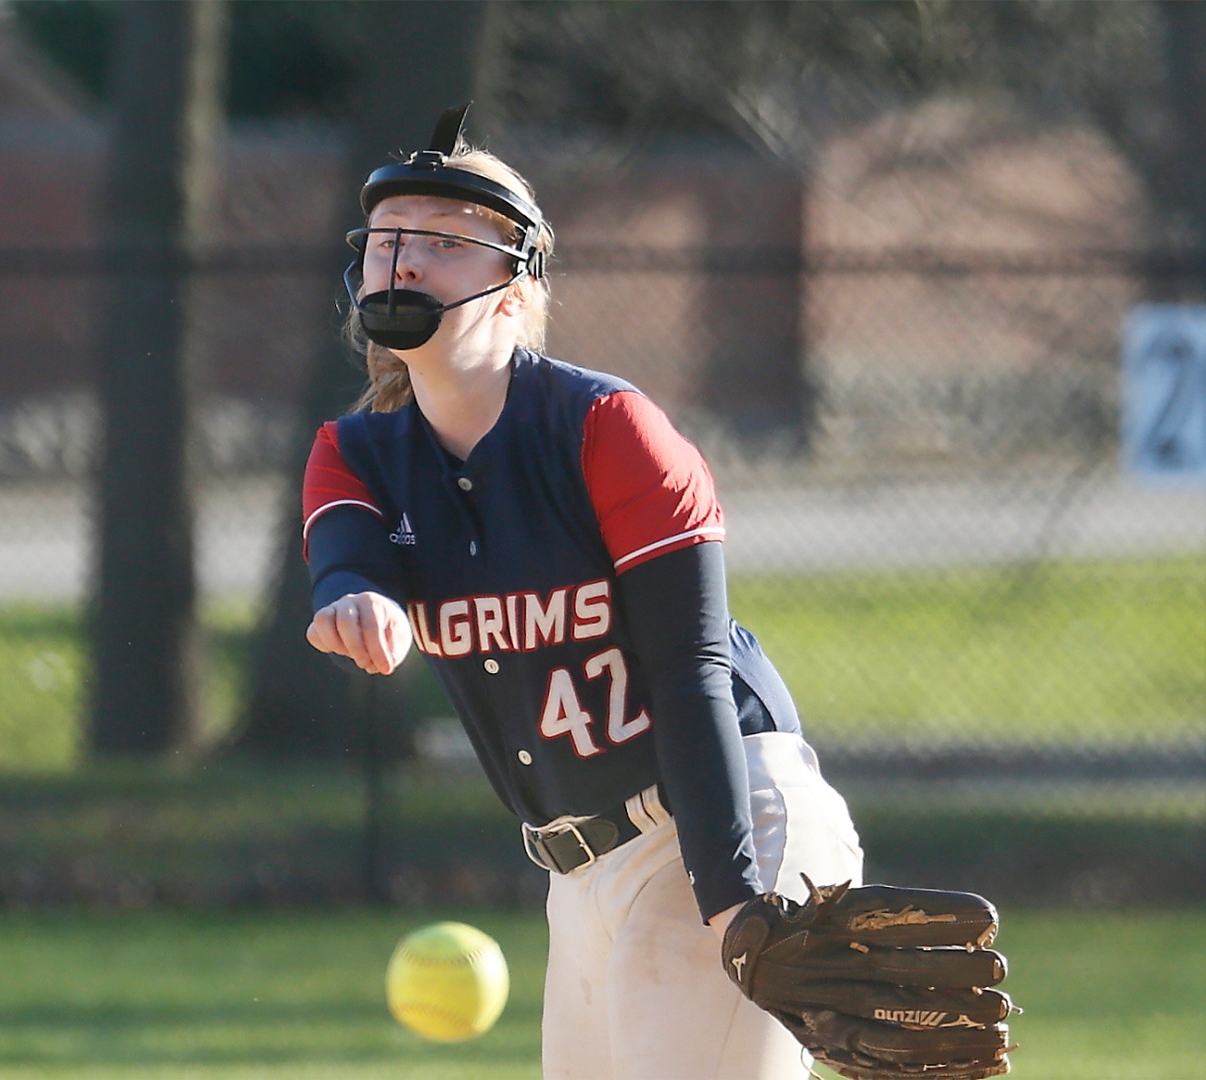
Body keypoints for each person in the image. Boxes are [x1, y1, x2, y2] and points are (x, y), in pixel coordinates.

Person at [301, 105, 866, 1079]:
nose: (406, 260)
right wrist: (363, 602)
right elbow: (352, 561)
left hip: (728, 816)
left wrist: (736, 902)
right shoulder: (354, 454)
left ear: (516, 293)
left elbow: (687, 674)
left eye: (442, 240)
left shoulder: (605, 427)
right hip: (580, 871)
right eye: (390, 239)